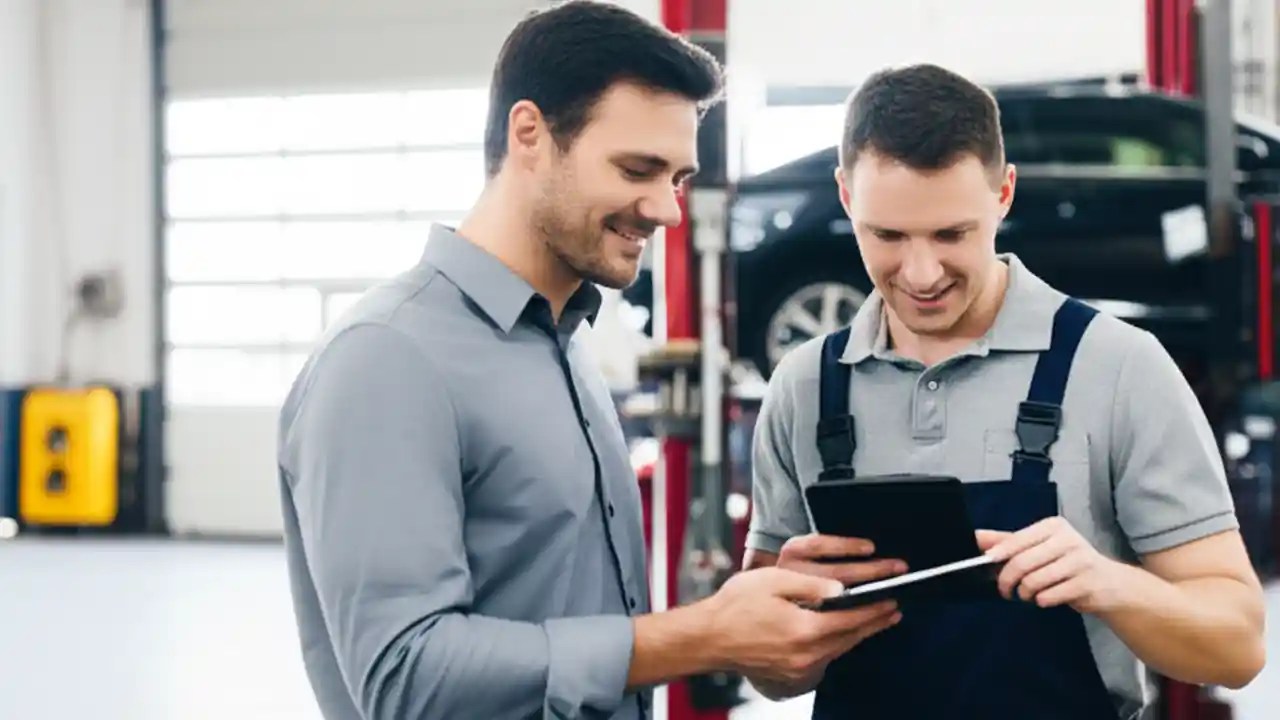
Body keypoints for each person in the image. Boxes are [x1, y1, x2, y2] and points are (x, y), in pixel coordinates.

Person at [275, 3, 900, 719]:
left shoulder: (565, 348)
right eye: (639, 169)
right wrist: (701, 634)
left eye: (678, 177)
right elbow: (407, 678)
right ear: (530, 135)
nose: (667, 209)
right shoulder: (388, 361)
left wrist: (748, 610)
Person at [742, 63, 1267, 720]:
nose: (921, 272)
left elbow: (1237, 646)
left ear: (1004, 194)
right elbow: (771, 679)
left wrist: (1109, 585)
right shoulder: (805, 388)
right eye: (888, 236)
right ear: (846, 198)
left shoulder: (1117, 368)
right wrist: (786, 621)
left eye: (951, 234)